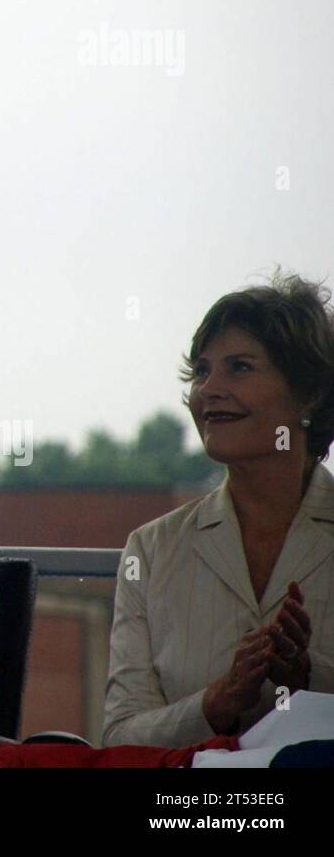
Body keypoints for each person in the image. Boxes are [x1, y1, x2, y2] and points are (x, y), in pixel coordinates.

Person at [104, 272, 334, 746]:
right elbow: (121, 738)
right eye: (202, 371)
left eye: (240, 368)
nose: (209, 390)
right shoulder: (149, 550)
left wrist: (309, 678)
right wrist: (216, 704)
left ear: (308, 393)